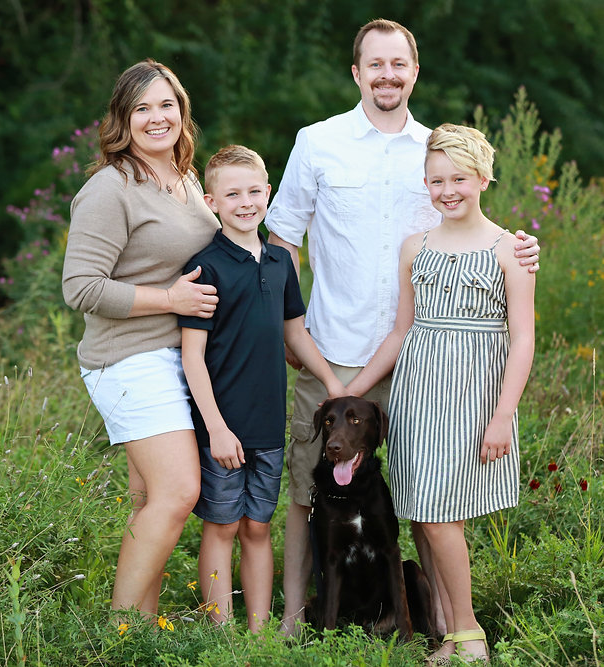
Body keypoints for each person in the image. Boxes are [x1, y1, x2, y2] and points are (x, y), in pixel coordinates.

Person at [265, 19, 541, 637]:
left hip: (421, 364)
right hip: (331, 351)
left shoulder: (435, 151)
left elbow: (470, 225)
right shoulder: (318, 141)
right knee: (311, 489)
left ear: (415, 71)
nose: (387, 75)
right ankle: (293, 616)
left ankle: (441, 624)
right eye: (375, 64)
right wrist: (290, 329)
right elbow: (282, 239)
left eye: (399, 64)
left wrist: (522, 249)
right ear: (356, 72)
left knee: (423, 497)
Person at [346, 123, 534, 662]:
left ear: (483, 178)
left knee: (438, 514)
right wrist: (350, 393)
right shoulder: (415, 247)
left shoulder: (509, 250)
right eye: (435, 181)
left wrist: (502, 416)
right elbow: (402, 330)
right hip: (418, 396)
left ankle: (469, 634)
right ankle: (447, 627)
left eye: (459, 178)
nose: (447, 190)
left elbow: (523, 339)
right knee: (423, 511)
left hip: (473, 400)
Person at [61, 59, 221, 617]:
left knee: (152, 500)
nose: (157, 118)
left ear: (182, 112)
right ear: (121, 121)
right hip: (127, 359)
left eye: (166, 105)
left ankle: (144, 630)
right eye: (141, 109)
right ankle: (120, 631)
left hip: (180, 356)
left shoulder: (186, 179)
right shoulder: (111, 188)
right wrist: (169, 301)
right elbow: (80, 287)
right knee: (179, 493)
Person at [179, 145, 346, 632]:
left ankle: (256, 635)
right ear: (212, 201)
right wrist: (216, 429)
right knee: (223, 525)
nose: (245, 202)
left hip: (269, 424)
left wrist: (333, 382)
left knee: (257, 526)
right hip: (224, 427)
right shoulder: (205, 268)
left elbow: (295, 333)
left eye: (254, 191)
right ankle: (219, 634)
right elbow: (192, 357)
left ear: (269, 193)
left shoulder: (279, 262)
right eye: (232, 194)